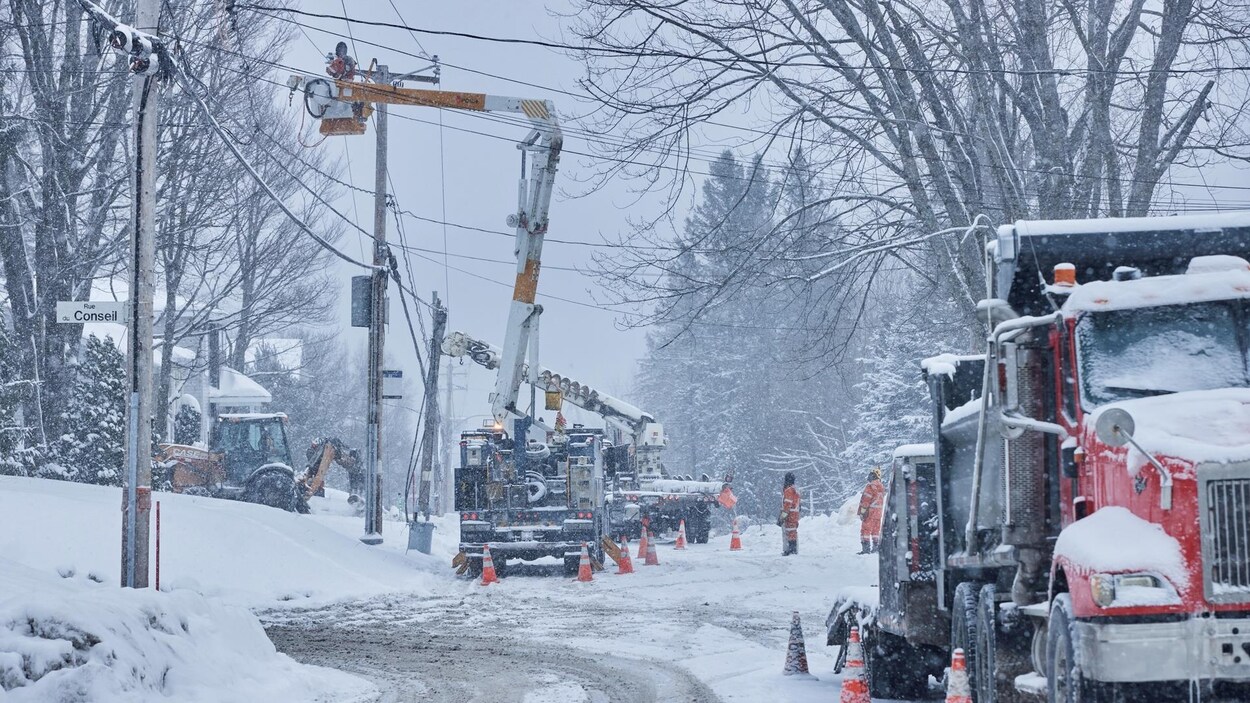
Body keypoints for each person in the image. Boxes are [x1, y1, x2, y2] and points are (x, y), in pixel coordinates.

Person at [858, 467, 886, 554]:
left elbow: (865, 501)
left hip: (869, 512)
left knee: (865, 530)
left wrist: (862, 513)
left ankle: (866, 549)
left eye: (870, 475)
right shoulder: (881, 487)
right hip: (878, 513)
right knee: (875, 530)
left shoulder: (870, 487)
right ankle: (876, 548)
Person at [779, 472, 801, 556]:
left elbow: (787, 505)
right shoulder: (796, 491)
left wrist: (782, 517)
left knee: (789, 531)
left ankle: (791, 550)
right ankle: (793, 549)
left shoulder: (788, 491)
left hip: (790, 514)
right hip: (795, 513)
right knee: (793, 531)